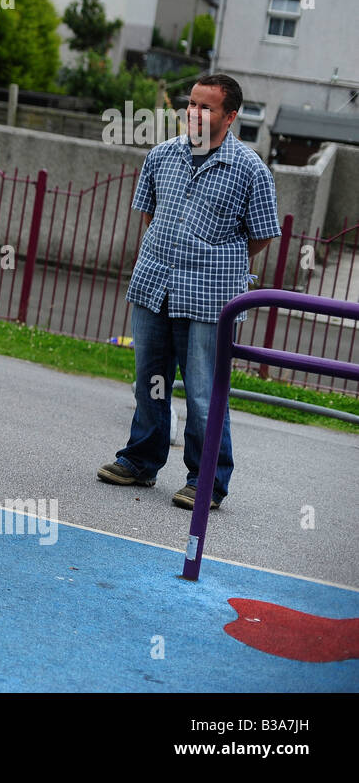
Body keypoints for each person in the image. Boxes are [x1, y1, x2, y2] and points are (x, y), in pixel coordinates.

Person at [97, 74, 279, 509]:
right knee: (151, 382)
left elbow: (261, 237)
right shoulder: (161, 156)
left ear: (230, 116)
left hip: (210, 297)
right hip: (155, 284)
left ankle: (208, 481)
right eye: (191, 103)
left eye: (206, 107)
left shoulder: (251, 170)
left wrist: (214, 263)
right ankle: (140, 461)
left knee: (203, 392)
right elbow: (152, 217)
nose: (193, 113)